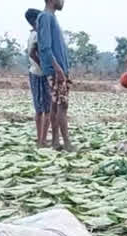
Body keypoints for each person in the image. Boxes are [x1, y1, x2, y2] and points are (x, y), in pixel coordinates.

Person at [37, 0, 72, 152]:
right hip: (56, 70)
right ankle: (67, 143)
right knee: (62, 106)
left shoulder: (50, 17)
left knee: (55, 105)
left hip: (58, 69)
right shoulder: (46, 17)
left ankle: (56, 142)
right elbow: (45, 46)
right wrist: (58, 69)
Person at [24, 8, 50, 148]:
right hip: (40, 74)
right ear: (35, 21)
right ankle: (43, 140)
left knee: (40, 109)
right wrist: (45, 68)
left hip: (34, 73)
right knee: (47, 110)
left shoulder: (32, 35)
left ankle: (40, 139)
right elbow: (33, 53)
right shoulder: (37, 35)